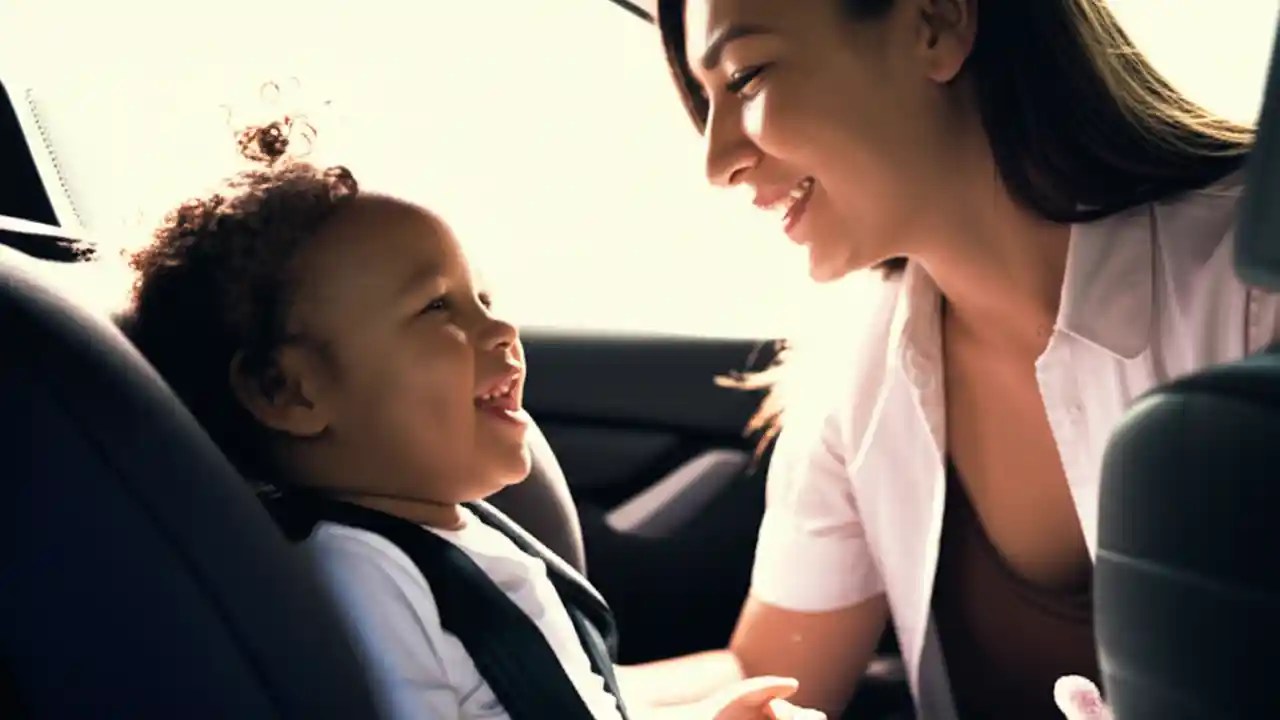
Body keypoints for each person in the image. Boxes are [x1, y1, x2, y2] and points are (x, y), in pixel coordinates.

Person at [616, 0, 1280, 718]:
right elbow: (768, 675)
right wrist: (510, 678)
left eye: (746, 76)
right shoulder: (854, 375)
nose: (717, 162)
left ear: (936, 24)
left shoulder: (1255, 298)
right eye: (706, 98)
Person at [119, 114, 823, 720]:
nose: (501, 328)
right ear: (292, 392)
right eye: (436, 307)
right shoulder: (362, 574)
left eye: (482, 297)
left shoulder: (455, 531)